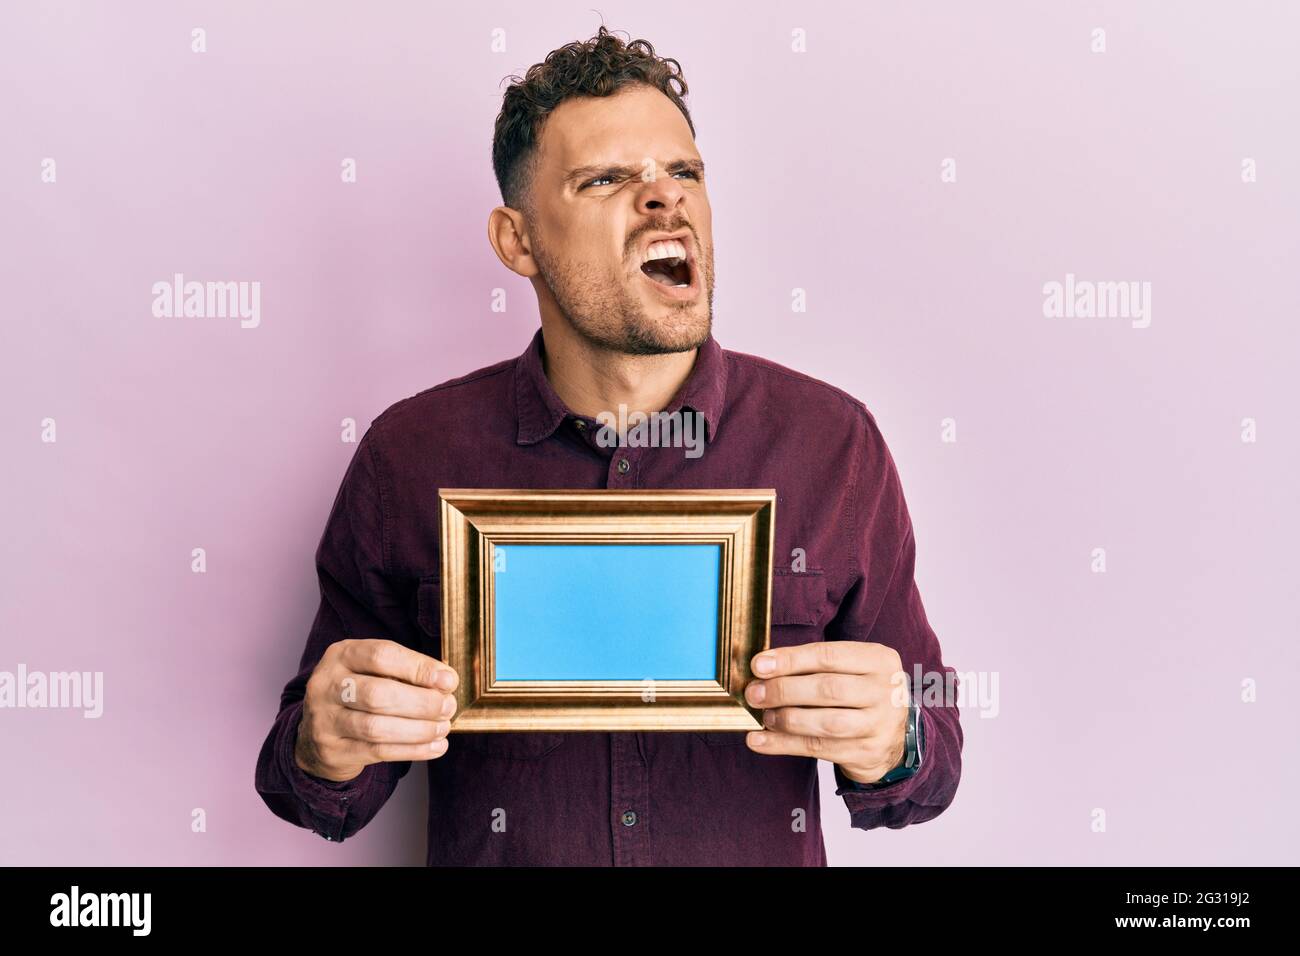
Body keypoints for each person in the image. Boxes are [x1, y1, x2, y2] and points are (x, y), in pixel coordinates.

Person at [254, 25, 963, 866]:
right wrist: (324, 742)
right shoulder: (409, 456)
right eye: (607, 180)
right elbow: (312, 788)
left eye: (684, 173)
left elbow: (934, 757)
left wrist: (897, 737)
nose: (664, 198)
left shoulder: (833, 444)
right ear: (518, 241)